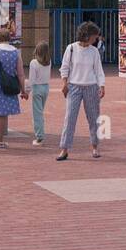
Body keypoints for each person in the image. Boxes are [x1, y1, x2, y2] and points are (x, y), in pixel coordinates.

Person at [56, 21, 105, 162]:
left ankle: (95, 146)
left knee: (93, 118)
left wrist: (102, 86)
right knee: (70, 118)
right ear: (87, 35)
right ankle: (64, 149)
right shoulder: (71, 48)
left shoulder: (94, 51)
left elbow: (98, 70)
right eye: (94, 36)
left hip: (91, 86)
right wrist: (64, 83)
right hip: (74, 86)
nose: (95, 39)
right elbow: (64, 68)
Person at [28, 40, 52, 146]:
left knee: (37, 114)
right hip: (46, 87)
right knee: (40, 112)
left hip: (37, 88)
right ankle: (40, 134)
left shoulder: (34, 63)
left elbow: (32, 80)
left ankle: (39, 137)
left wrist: (27, 91)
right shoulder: (49, 61)